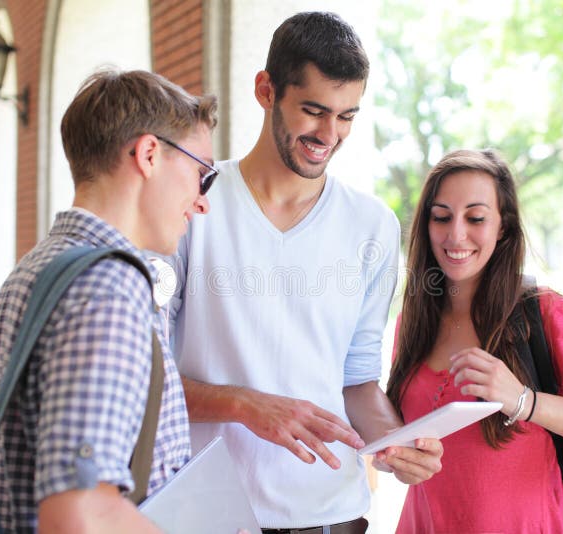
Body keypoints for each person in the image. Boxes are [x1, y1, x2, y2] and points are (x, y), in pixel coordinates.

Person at [169, 11, 442, 533]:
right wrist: (246, 405)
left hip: (332, 517)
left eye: (346, 116)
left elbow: (357, 381)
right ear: (266, 90)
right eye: (313, 111)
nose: (329, 134)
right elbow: (145, 378)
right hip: (208, 516)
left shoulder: (373, 226)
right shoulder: (194, 203)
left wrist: (395, 442)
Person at [0, 69, 218, 533]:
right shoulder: (107, 288)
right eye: (201, 174)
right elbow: (80, 516)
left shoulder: (39, 268)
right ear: (149, 155)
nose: (201, 202)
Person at [386, 148, 563, 533]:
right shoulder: (411, 325)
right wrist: (400, 461)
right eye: (442, 217)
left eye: (476, 217)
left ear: (503, 228)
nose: (456, 234)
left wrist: (523, 401)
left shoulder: (546, 314)